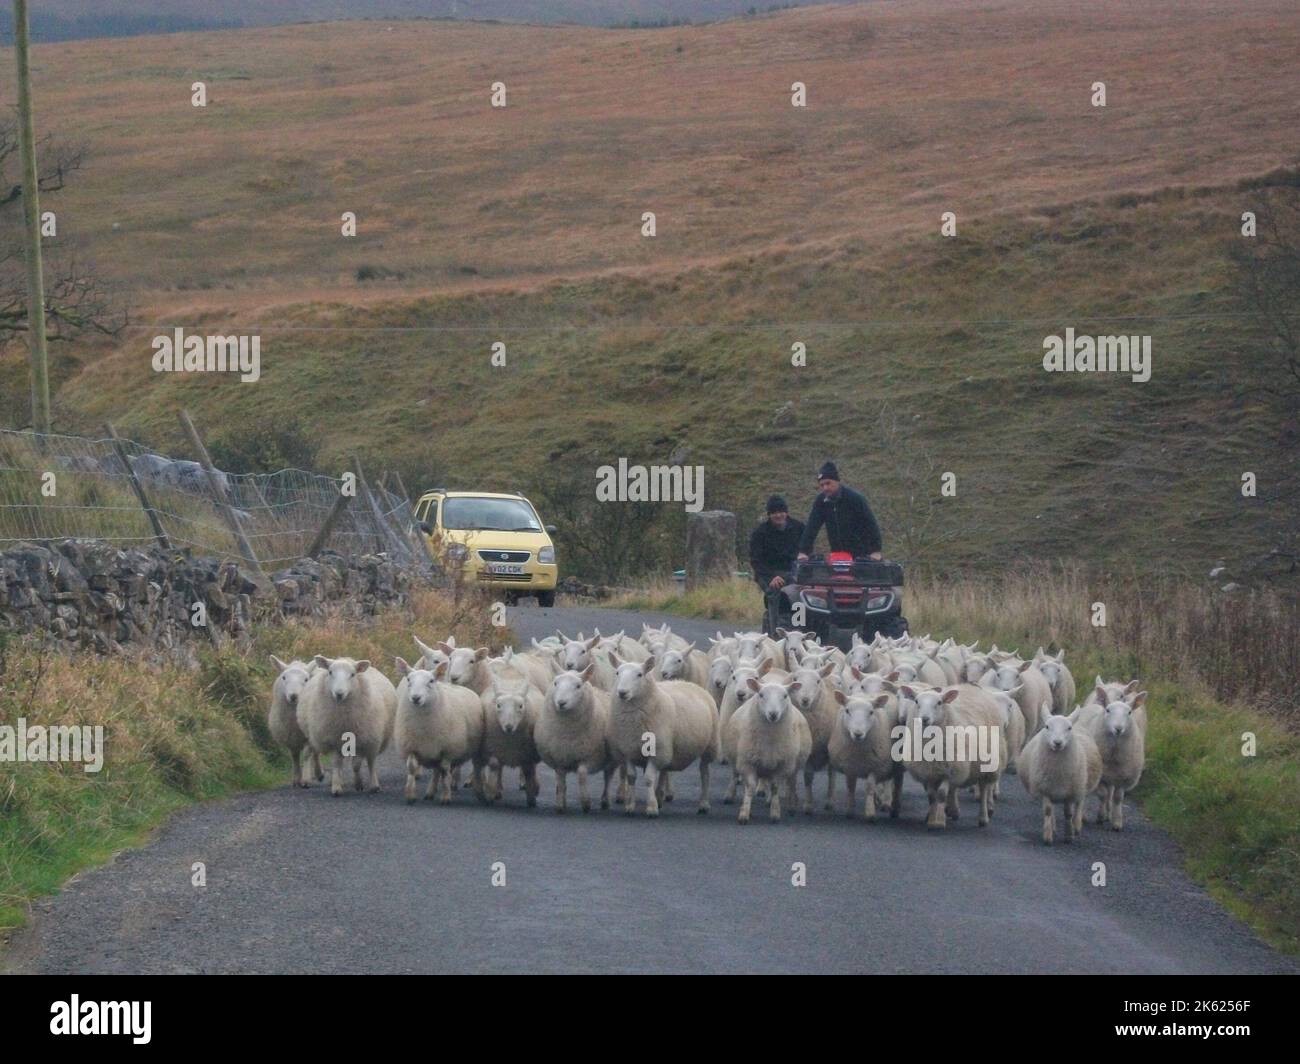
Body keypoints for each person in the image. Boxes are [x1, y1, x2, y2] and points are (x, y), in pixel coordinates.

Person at [796, 461, 883, 562]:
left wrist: (876, 550)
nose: (825, 488)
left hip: (862, 555)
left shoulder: (855, 499)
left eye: (828, 483)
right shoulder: (821, 502)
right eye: (822, 485)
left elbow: (871, 524)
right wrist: (803, 551)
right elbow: (812, 527)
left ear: (837, 481)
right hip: (838, 556)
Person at [749, 495, 804, 608]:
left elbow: (807, 549)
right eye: (774, 512)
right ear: (769, 515)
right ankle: (776, 623)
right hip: (768, 572)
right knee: (776, 595)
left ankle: (800, 622)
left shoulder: (799, 528)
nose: (778, 515)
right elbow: (756, 560)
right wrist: (771, 577)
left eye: (781, 511)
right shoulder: (760, 533)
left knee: (803, 595)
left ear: (786, 512)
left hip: (794, 571)